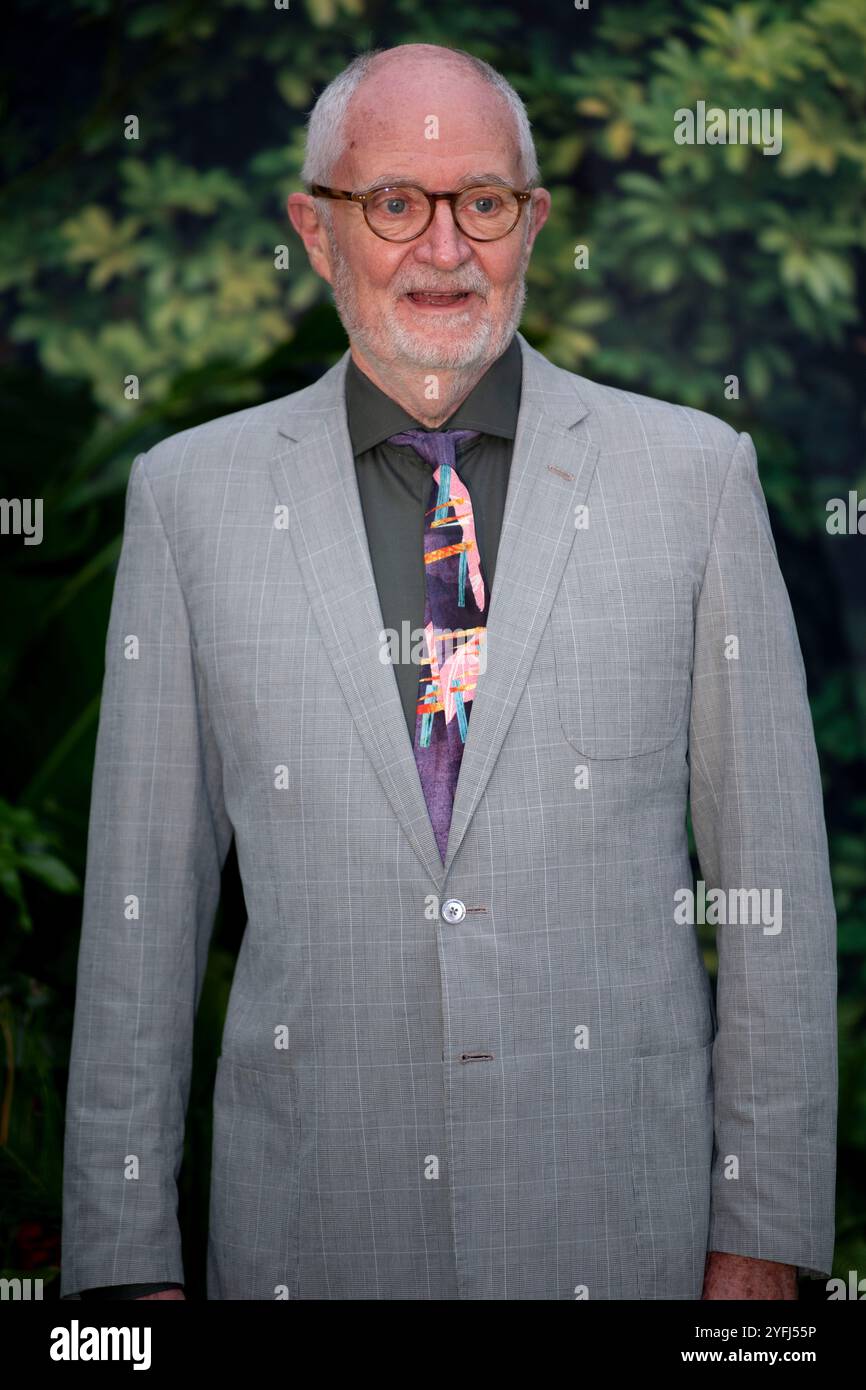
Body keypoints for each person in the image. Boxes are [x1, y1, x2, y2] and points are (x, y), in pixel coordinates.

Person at [61, 42, 837, 1302]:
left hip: (622, 1236)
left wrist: (763, 1234)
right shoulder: (188, 501)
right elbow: (139, 925)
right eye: (392, 203)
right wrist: (122, 1263)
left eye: (479, 201)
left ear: (529, 223)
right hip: (311, 1234)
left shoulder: (693, 481)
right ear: (315, 232)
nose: (441, 249)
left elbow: (774, 895)